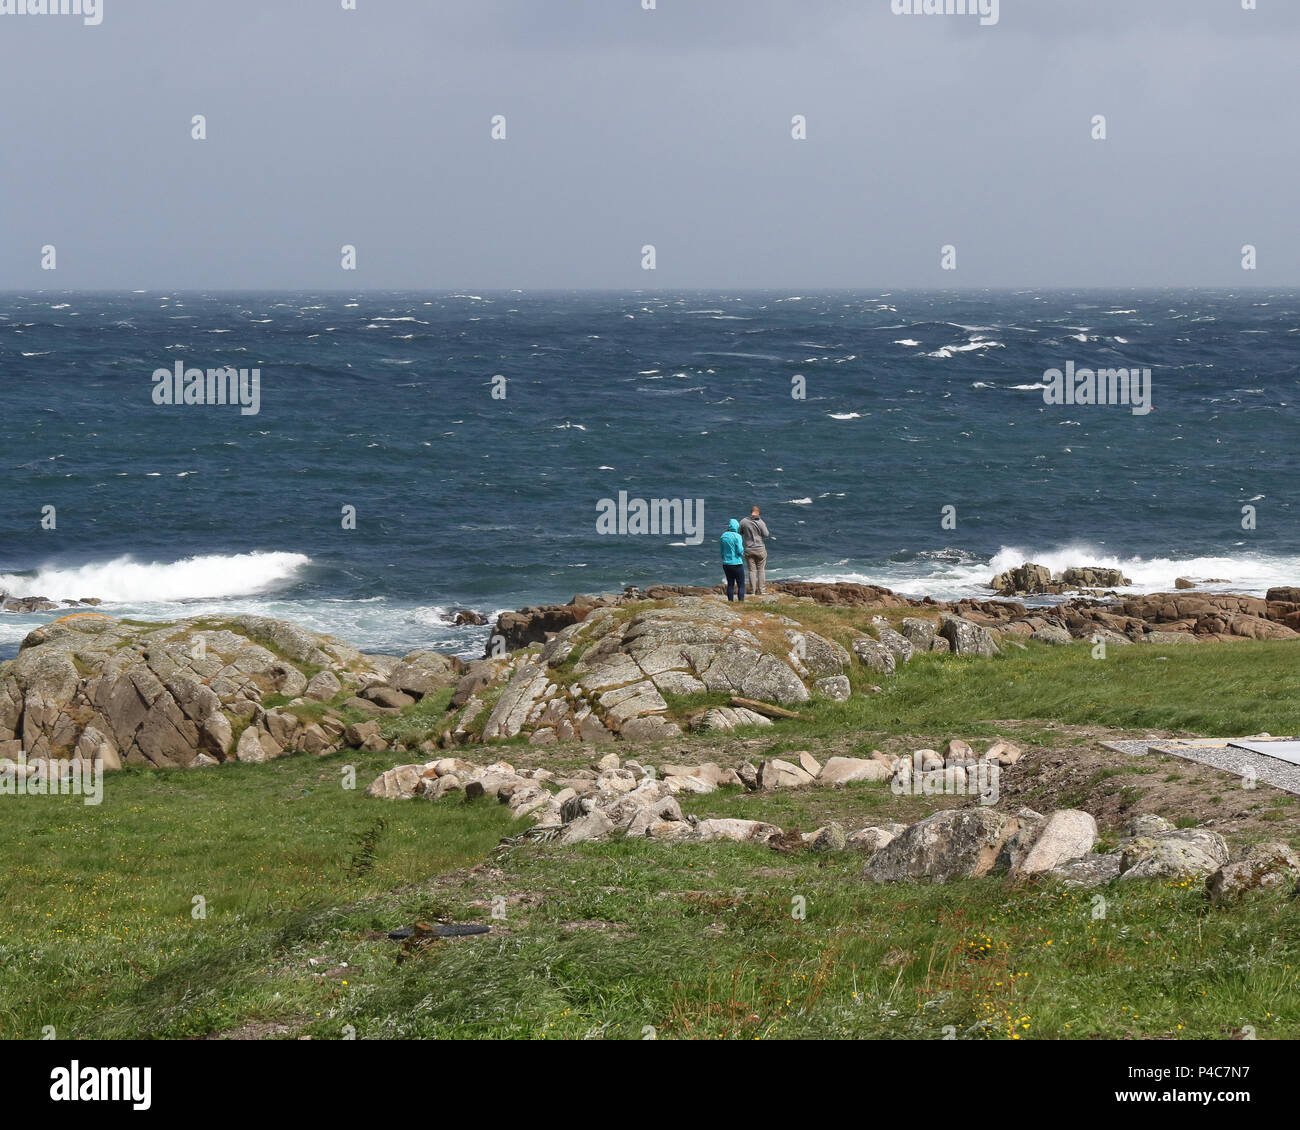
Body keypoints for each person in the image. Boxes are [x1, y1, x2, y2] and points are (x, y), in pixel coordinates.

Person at [738, 505, 770, 595]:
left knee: (752, 571)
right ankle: (762, 591)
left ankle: (752, 591)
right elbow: (766, 534)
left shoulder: (743, 521)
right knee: (761, 570)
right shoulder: (761, 522)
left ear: (750, 512)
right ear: (758, 513)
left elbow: (739, 532)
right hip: (760, 548)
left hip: (749, 548)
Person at [720, 518, 746, 602]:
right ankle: (741, 601)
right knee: (741, 584)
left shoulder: (723, 536)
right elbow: (739, 550)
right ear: (736, 526)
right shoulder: (737, 536)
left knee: (730, 584)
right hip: (737, 563)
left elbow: (721, 551)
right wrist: (742, 553)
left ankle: (730, 601)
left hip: (726, 564)